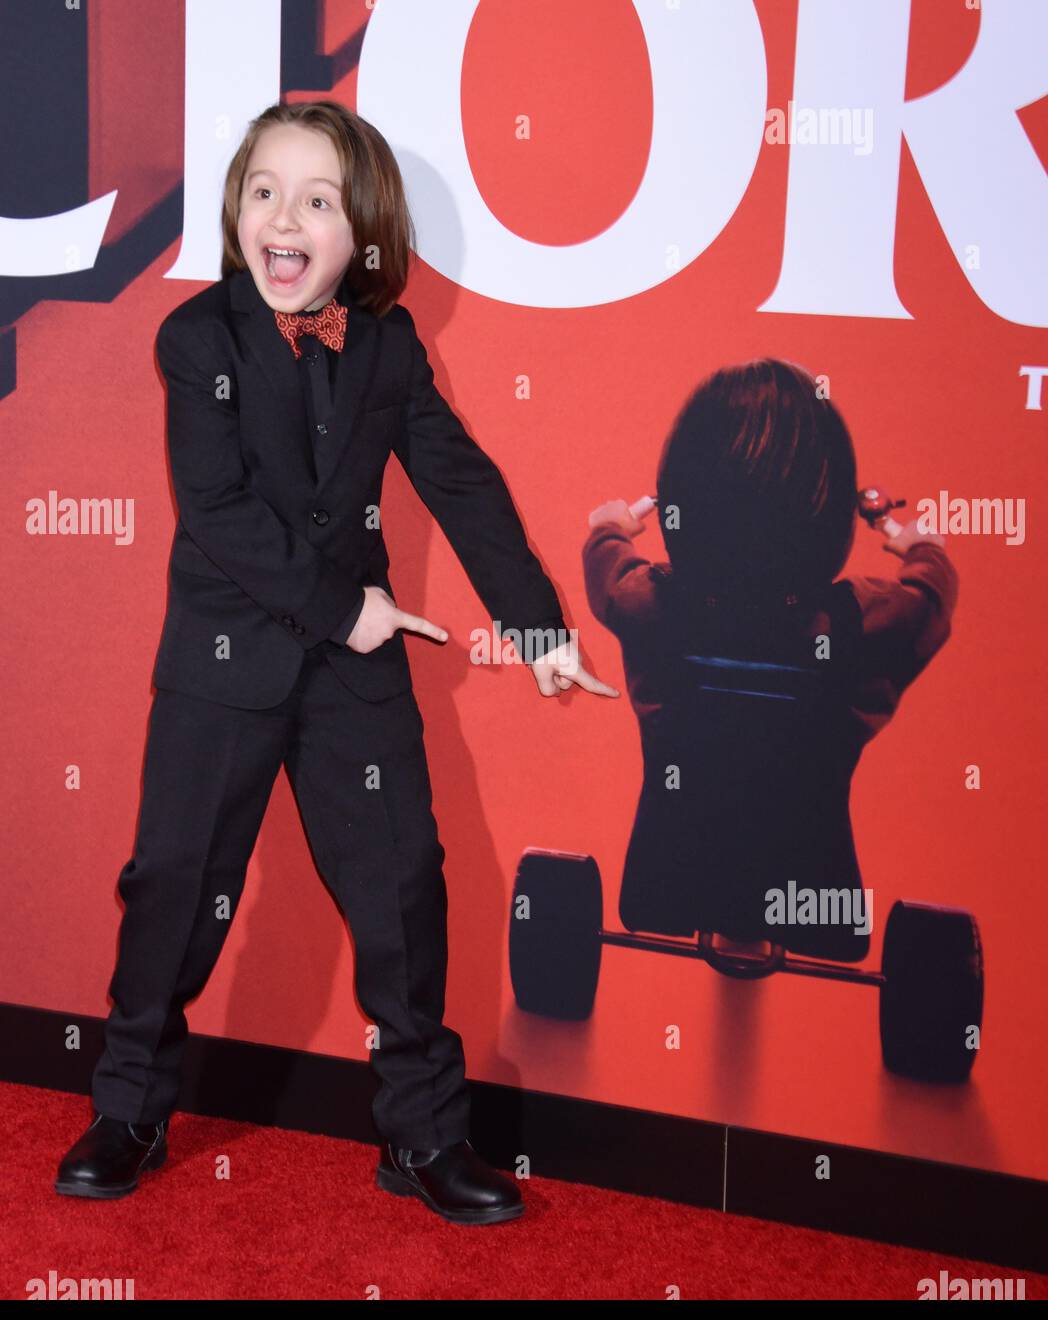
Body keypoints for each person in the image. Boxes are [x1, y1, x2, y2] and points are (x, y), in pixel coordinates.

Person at [55, 99, 617, 1225]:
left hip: (353, 678)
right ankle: (129, 1110)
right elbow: (214, 509)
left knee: (404, 887)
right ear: (236, 209)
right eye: (265, 190)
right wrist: (343, 606)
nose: (285, 217)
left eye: (318, 199)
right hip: (227, 659)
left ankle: (422, 1137)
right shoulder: (195, 340)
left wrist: (541, 628)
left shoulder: (390, 346)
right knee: (175, 890)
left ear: (360, 229)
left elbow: (458, 479)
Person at [582, 359, 957, 957]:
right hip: (813, 890)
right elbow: (931, 600)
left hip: (671, 880)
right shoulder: (863, 622)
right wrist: (908, 536)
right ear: (830, 517)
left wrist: (611, 527)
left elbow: (609, 567)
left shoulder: (651, 602)